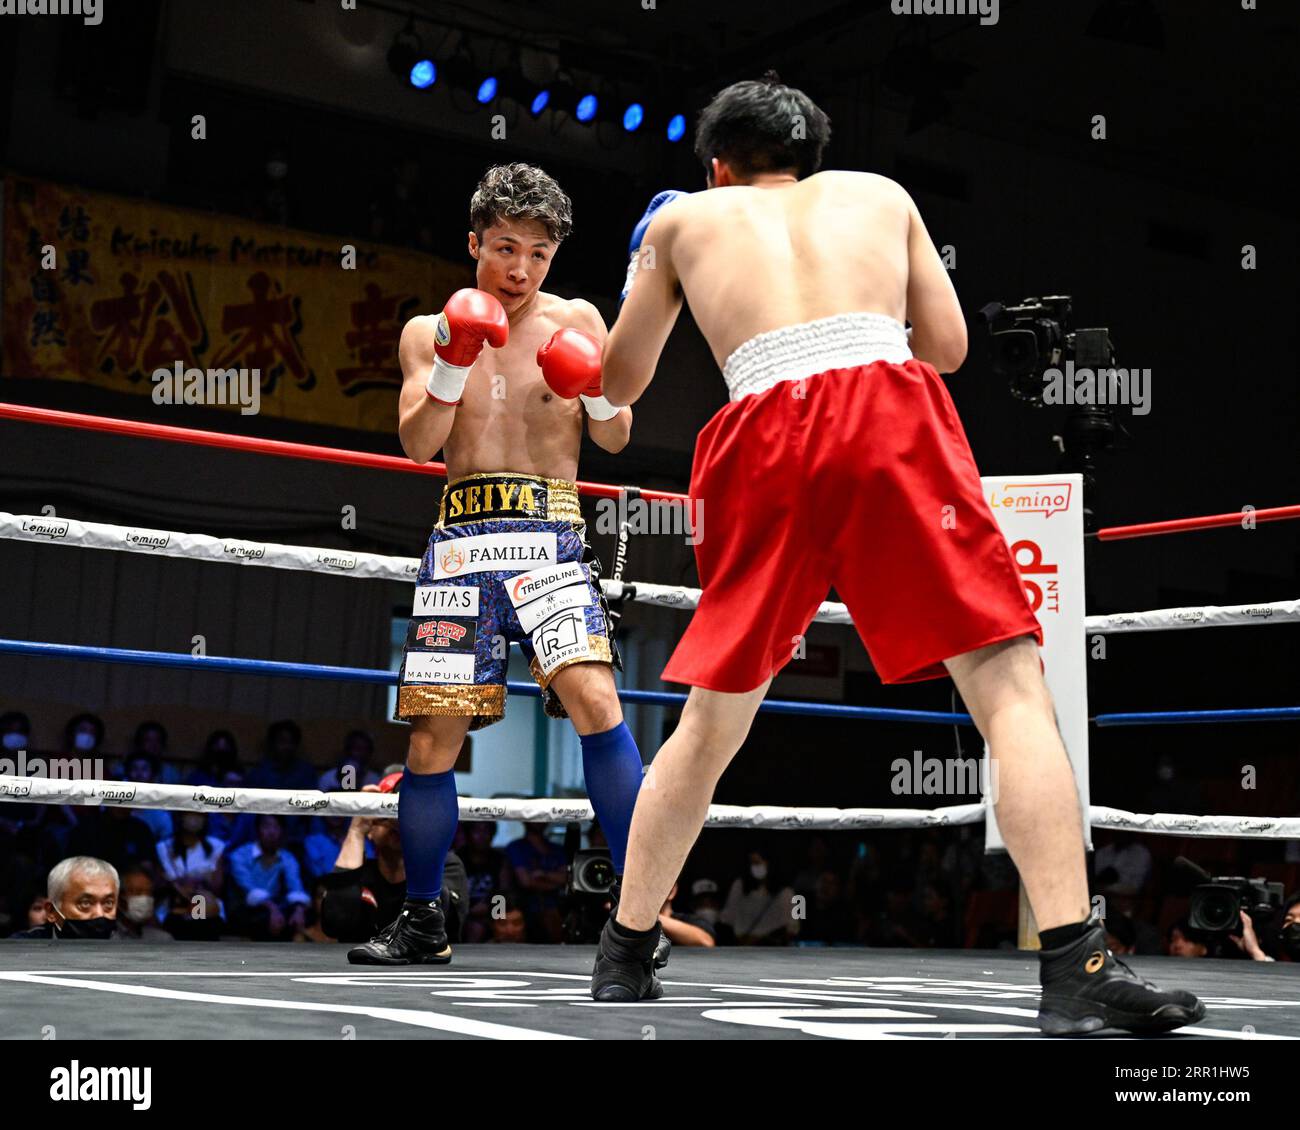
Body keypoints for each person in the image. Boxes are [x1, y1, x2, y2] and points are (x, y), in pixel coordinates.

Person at [590, 73, 1205, 1036]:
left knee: (712, 717)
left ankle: (625, 953)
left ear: (717, 166)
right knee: (1009, 684)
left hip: (759, 442)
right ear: (811, 157)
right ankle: (1075, 962)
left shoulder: (682, 222)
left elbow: (618, 384)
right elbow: (948, 348)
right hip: (885, 415)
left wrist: (642, 268)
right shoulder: (881, 194)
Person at [362, 162, 649, 966]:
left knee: (597, 702)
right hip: (461, 538)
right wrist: (454, 360)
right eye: (504, 249)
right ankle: (424, 921)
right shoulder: (427, 330)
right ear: (474, 244)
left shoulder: (579, 318)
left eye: (538, 254)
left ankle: (637, 916)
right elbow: (418, 444)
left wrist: (594, 388)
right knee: (433, 739)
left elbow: (616, 435)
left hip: (549, 536)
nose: (520, 270)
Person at [226, 814, 310, 940]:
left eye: (276, 827)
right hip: (243, 908)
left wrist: (299, 910)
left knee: (303, 916)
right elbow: (248, 889)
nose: (271, 832)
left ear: (282, 831)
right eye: (266, 826)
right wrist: (272, 909)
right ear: (257, 830)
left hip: (275, 907)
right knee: (265, 918)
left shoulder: (287, 857)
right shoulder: (240, 855)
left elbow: (295, 887)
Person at [7, 856, 119, 940]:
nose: (99, 914)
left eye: (108, 903)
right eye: (85, 903)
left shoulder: (125, 946)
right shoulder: (22, 947)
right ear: (51, 912)